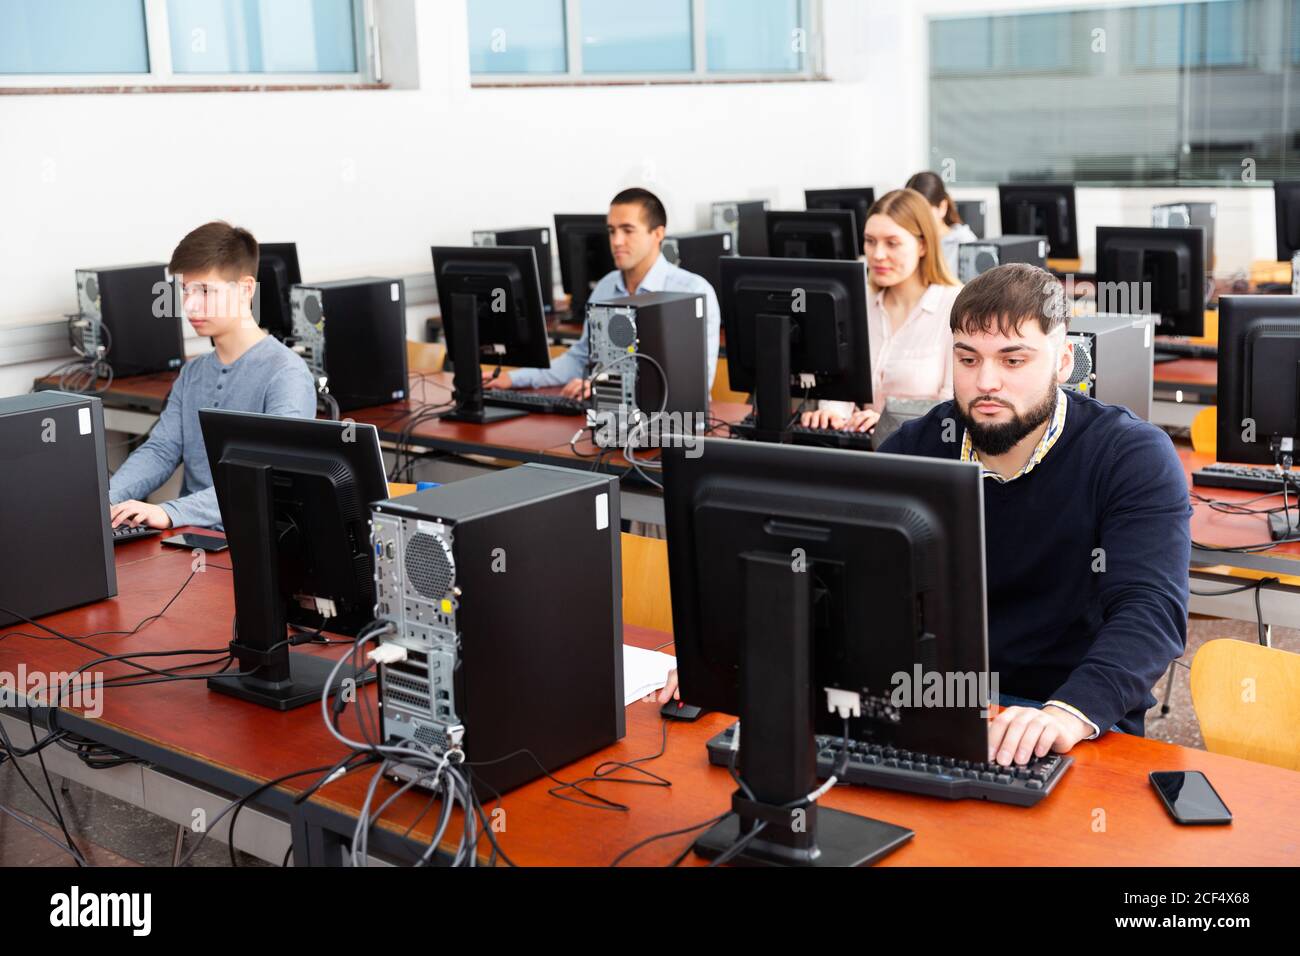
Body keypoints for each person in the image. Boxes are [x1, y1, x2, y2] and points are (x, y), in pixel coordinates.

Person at [654, 263, 1191, 767]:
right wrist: (734, 658)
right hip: (925, 707)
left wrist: (1066, 714)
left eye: (1013, 360)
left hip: (1061, 715)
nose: (986, 383)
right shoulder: (916, 445)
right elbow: (832, 578)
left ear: (1065, 362)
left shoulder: (1130, 456)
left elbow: (1150, 610)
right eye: (967, 359)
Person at [108, 222, 317, 531]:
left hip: (251, 545)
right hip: (188, 535)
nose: (190, 305)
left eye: (205, 290)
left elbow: (269, 480)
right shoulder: (193, 372)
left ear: (246, 289)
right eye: (185, 290)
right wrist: (106, 501)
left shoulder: (286, 375)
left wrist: (169, 512)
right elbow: (161, 450)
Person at [483, 187, 720, 397]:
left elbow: (696, 381)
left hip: (673, 422)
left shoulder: (693, 292)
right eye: (611, 230)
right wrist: (513, 379)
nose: (616, 241)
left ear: (657, 234)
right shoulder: (606, 287)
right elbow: (580, 359)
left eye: (628, 230)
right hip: (609, 414)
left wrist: (606, 385)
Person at [802, 187, 961, 434]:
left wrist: (888, 423)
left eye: (892, 243)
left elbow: (953, 407)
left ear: (922, 246)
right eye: (870, 241)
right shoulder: (859, 303)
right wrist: (832, 412)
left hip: (921, 454)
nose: (877, 255)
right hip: (860, 447)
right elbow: (843, 385)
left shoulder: (955, 307)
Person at [906, 170, 978, 277]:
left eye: (924, 213)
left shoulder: (965, 242)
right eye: (911, 213)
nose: (917, 219)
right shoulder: (909, 239)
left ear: (942, 207)